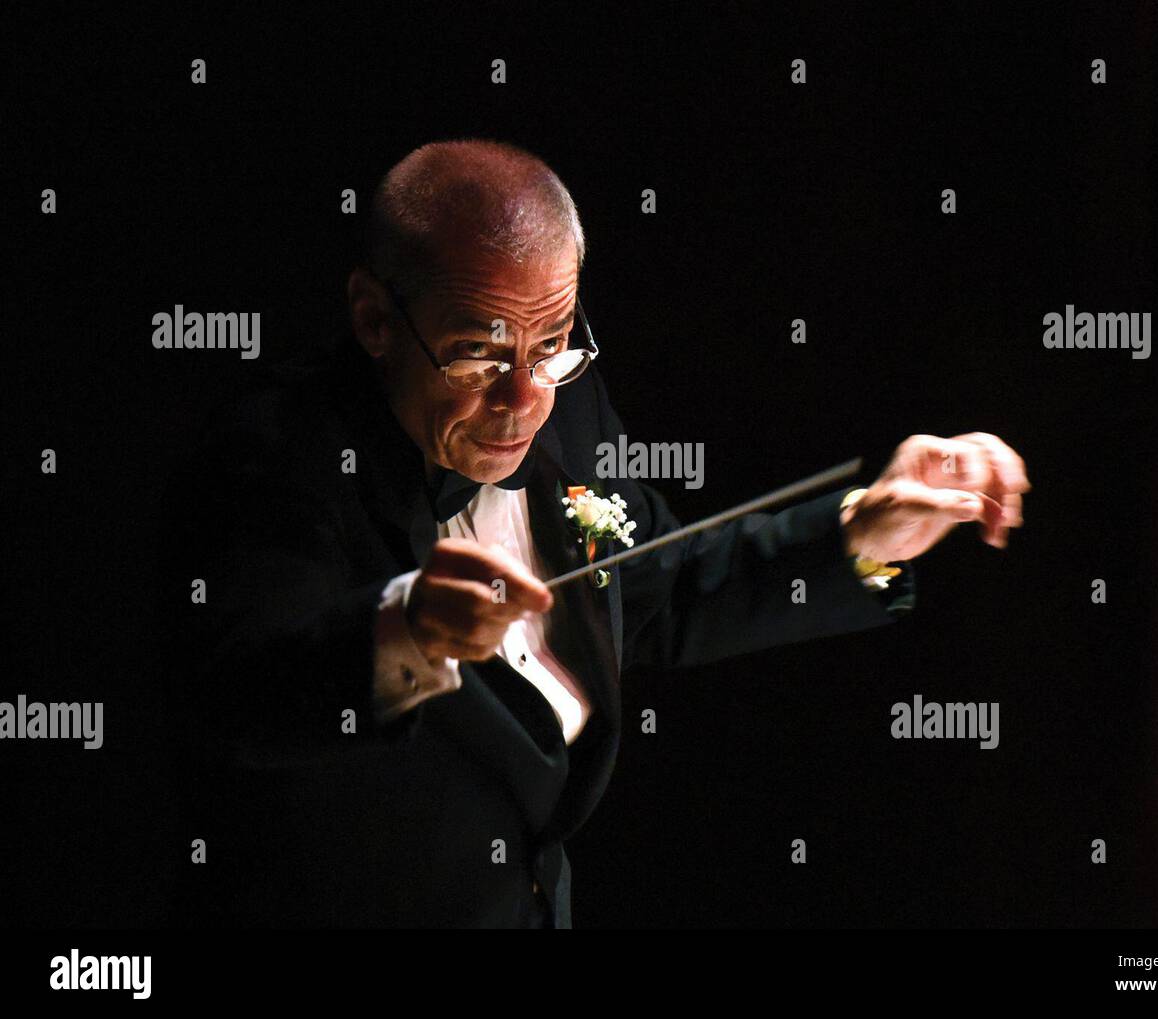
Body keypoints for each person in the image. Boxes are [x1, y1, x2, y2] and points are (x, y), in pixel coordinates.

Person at [160, 138, 1029, 928]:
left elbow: (659, 587)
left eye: (553, 345)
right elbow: (237, 692)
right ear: (376, 320)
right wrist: (406, 630)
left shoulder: (567, 404)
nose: (524, 400)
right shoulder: (274, 454)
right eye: (478, 354)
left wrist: (863, 534)